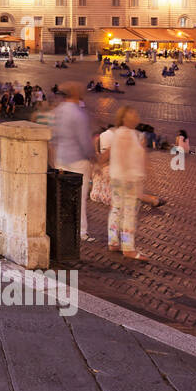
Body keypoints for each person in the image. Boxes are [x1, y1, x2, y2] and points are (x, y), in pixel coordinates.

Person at [98, 105, 148, 260]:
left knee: (116, 209)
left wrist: (99, 166)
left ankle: (113, 241)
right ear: (125, 118)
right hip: (129, 179)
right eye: (133, 114)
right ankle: (128, 247)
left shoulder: (118, 133)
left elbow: (108, 153)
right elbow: (131, 158)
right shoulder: (132, 135)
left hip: (117, 178)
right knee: (129, 213)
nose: (136, 116)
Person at [51, 84, 96, 241]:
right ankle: (80, 231)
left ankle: (61, 227)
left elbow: (53, 136)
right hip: (78, 160)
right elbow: (84, 140)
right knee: (79, 197)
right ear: (76, 95)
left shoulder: (57, 111)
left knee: (63, 196)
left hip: (61, 158)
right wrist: (93, 157)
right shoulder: (78, 113)